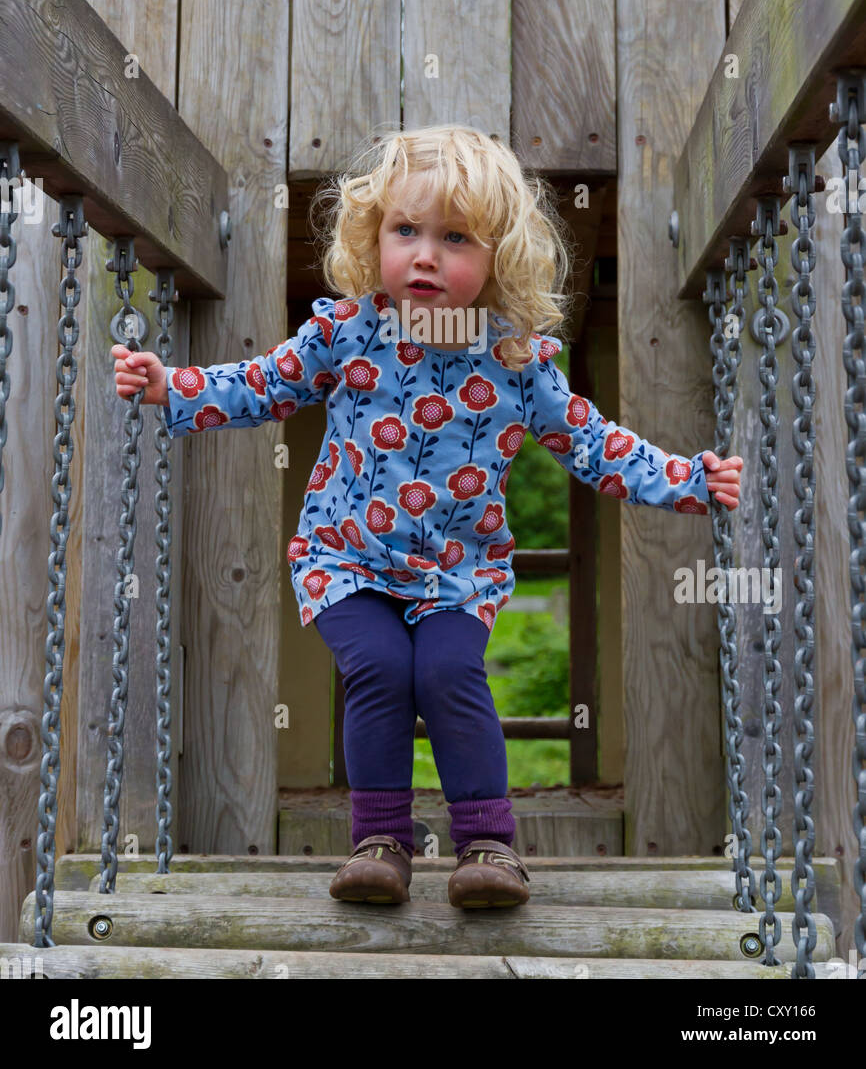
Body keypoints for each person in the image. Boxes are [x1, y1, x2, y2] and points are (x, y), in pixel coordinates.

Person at [110, 124, 742, 910]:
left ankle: (488, 846)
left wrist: (689, 479)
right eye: (406, 231)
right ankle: (381, 842)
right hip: (348, 560)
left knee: (446, 671)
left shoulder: (516, 362)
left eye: (456, 238)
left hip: (456, 574)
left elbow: (594, 444)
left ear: (499, 256)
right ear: (375, 238)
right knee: (378, 669)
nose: (426, 255)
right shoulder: (346, 334)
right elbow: (264, 384)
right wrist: (172, 385)